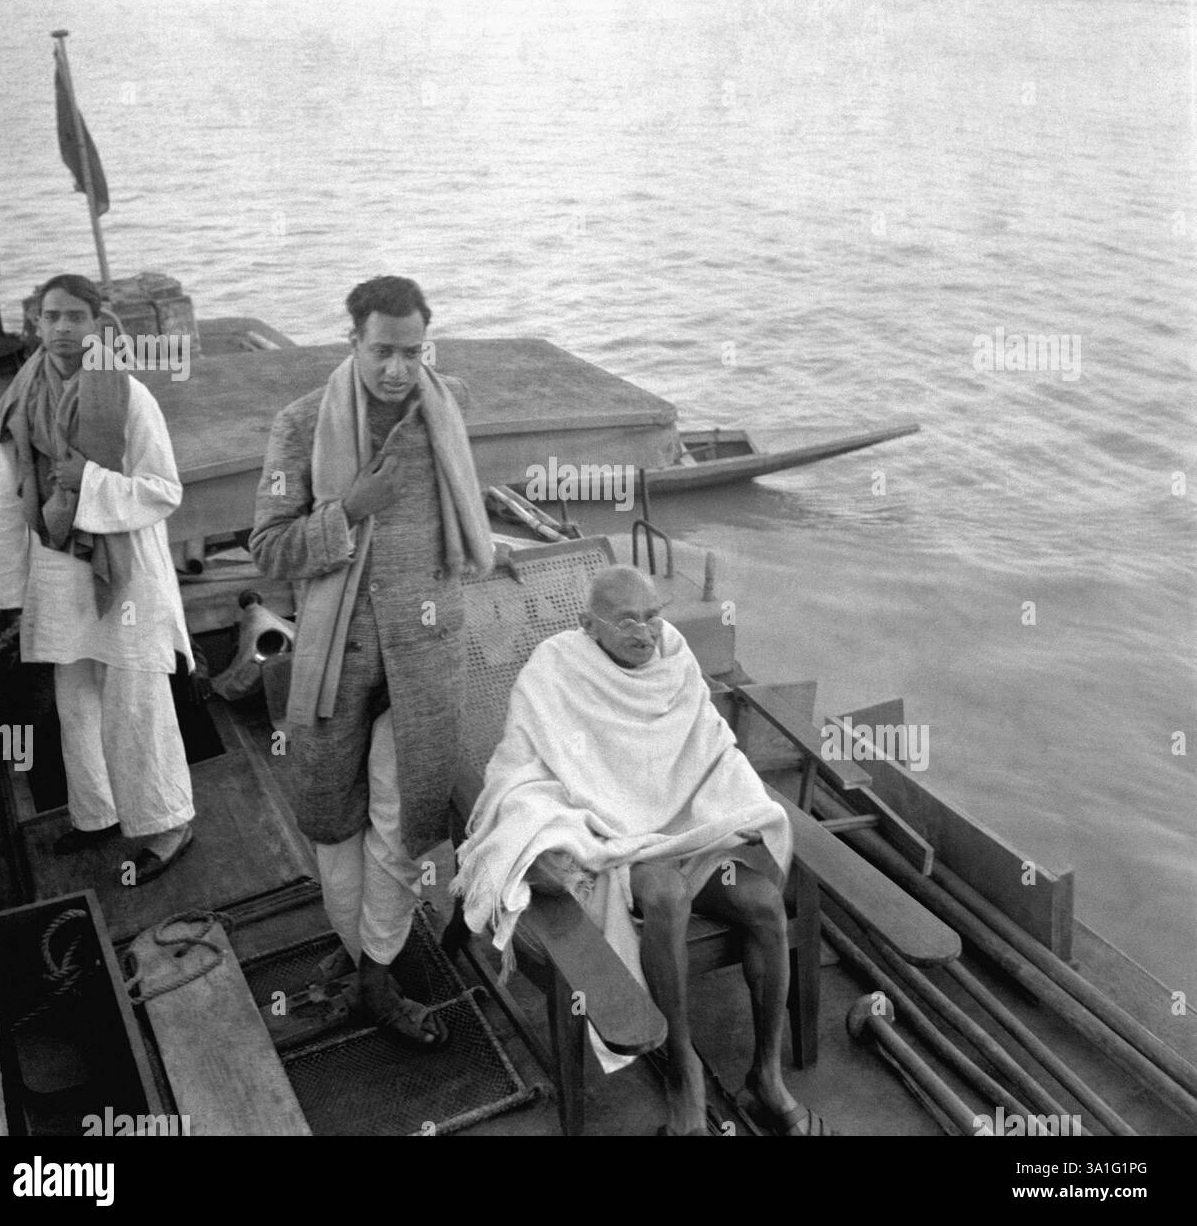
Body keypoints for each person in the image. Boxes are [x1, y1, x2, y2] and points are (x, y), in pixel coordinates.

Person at [453, 565, 833, 1136]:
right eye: (627, 619)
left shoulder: (675, 661)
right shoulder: (555, 669)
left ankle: (766, 1075)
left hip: (690, 833)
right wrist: (546, 841)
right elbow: (520, 773)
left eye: (654, 615)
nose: (646, 631)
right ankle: (683, 1073)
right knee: (665, 893)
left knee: (762, 904)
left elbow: (715, 749)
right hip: (619, 843)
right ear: (588, 625)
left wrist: (743, 806)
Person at [250, 275, 495, 1049]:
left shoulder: (443, 408)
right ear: (351, 340)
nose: (397, 369)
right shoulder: (298, 426)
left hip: (426, 654)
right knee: (332, 817)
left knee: (402, 816)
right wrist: (349, 507)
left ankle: (378, 971)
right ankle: (360, 952)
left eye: (411, 350)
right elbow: (268, 548)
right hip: (336, 656)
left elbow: (463, 511)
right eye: (382, 350)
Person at [0, 273, 195, 882]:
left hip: (121, 570)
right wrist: (2, 590)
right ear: (38, 326)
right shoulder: (22, 400)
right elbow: (6, 494)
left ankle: (168, 822)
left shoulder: (129, 398)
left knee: (135, 700)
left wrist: (90, 482)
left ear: (99, 326)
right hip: (55, 569)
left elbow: (163, 491)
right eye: (51, 317)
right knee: (76, 700)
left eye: (76, 316)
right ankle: (95, 813)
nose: (63, 328)